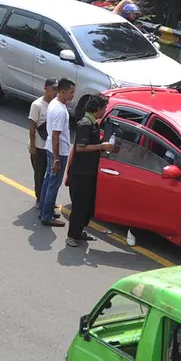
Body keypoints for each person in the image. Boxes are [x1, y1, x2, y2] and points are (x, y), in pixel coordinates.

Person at [66, 96, 114, 247]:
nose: (105, 111)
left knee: (87, 205)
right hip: (80, 174)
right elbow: (81, 147)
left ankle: (79, 232)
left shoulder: (94, 124)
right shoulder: (85, 124)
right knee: (79, 206)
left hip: (89, 173)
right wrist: (101, 147)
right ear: (97, 109)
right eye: (104, 108)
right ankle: (72, 236)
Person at [38, 79, 77, 228]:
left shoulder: (54, 103)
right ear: (62, 91)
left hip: (50, 148)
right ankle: (46, 216)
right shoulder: (60, 111)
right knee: (53, 184)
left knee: (48, 181)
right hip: (58, 152)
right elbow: (56, 136)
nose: (73, 95)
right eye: (71, 92)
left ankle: (44, 209)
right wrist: (57, 159)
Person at [29, 78, 59, 206]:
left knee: (50, 175)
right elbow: (32, 127)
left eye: (57, 89)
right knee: (39, 174)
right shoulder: (37, 105)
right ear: (46, 88)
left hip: (50, 146)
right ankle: (39, 198)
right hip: (39, 146)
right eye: (53, 89)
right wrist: (33, 146)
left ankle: (48, 200)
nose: (55, 92)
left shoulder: (56, 104)